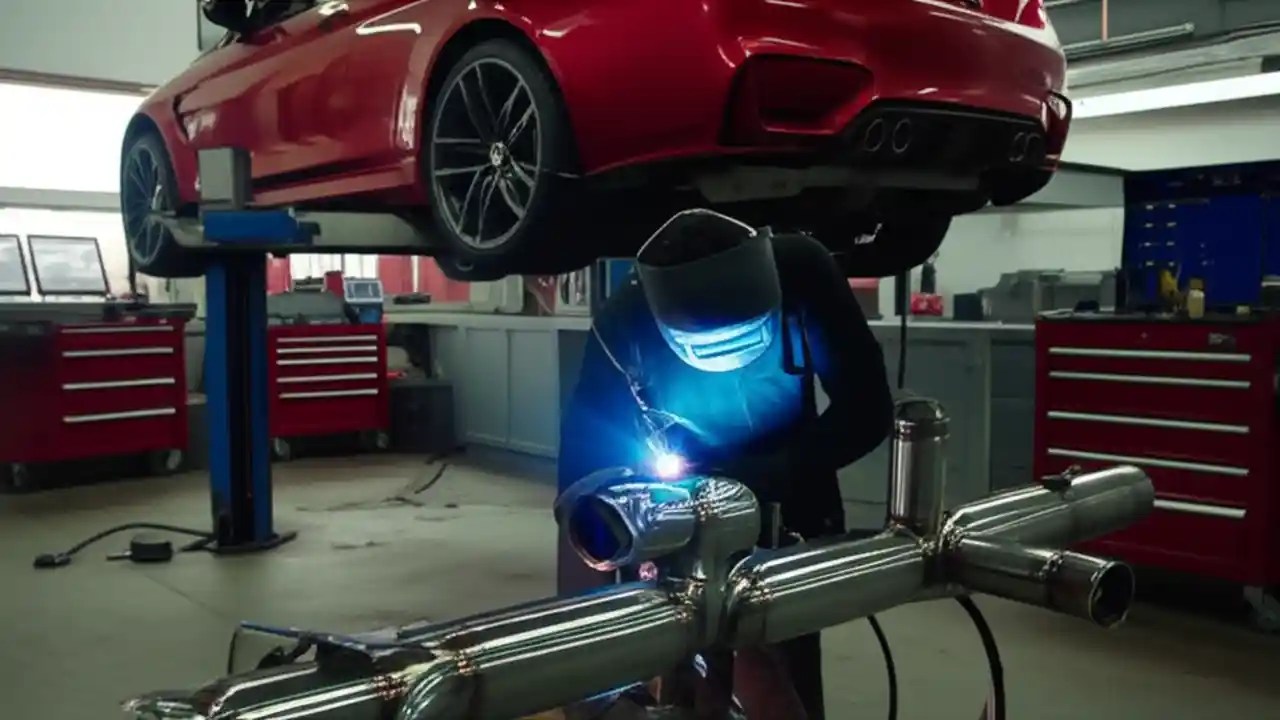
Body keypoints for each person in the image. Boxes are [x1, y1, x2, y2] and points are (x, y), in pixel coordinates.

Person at [557, 209, 894, 720]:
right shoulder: (623, 322)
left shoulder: (803, 271)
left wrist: (767, 480)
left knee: (787, 672)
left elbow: (867, 410)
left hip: (794, 499)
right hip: (681, 514)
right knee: (686, 667)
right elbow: (580, 489)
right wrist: (592, 680)